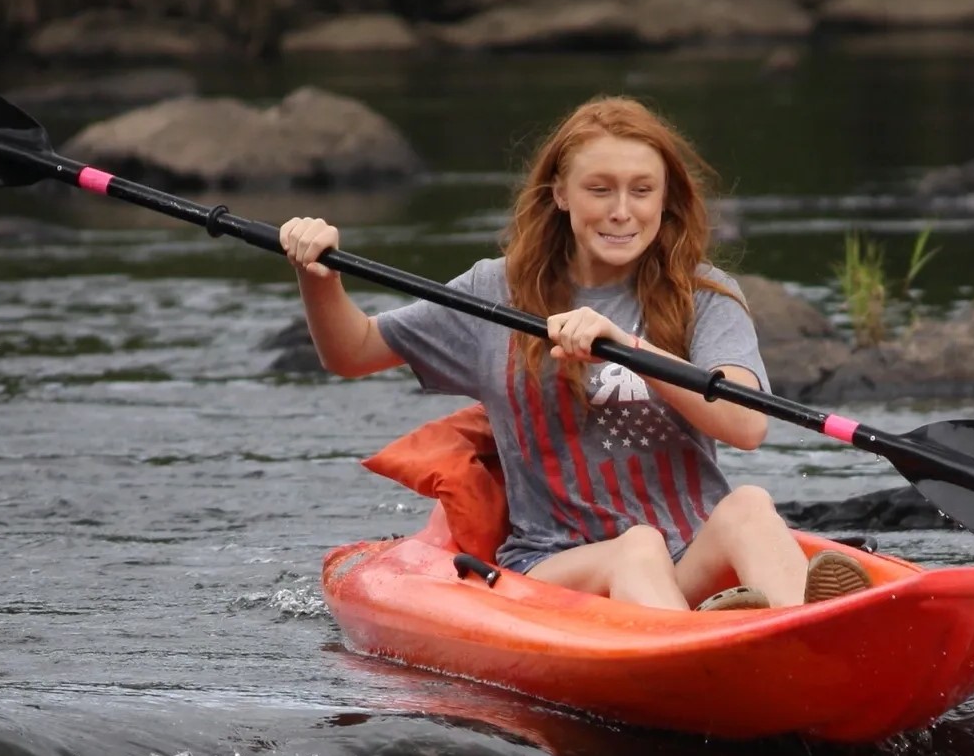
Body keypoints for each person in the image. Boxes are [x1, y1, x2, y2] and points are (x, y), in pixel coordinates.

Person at [281, 96, 867, 611]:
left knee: (750, 506)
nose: (622, 211)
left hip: (689, 561)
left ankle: (804, 640)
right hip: (557, 566)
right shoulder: (495, 291)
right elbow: (353, 352)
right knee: (636, 549)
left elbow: (746, 425)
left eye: (642, 190)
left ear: (665, 198)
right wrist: (318, 275)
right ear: (560, 193)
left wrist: (629, 348)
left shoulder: (705, 295)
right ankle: (706, 653)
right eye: (599, 189)